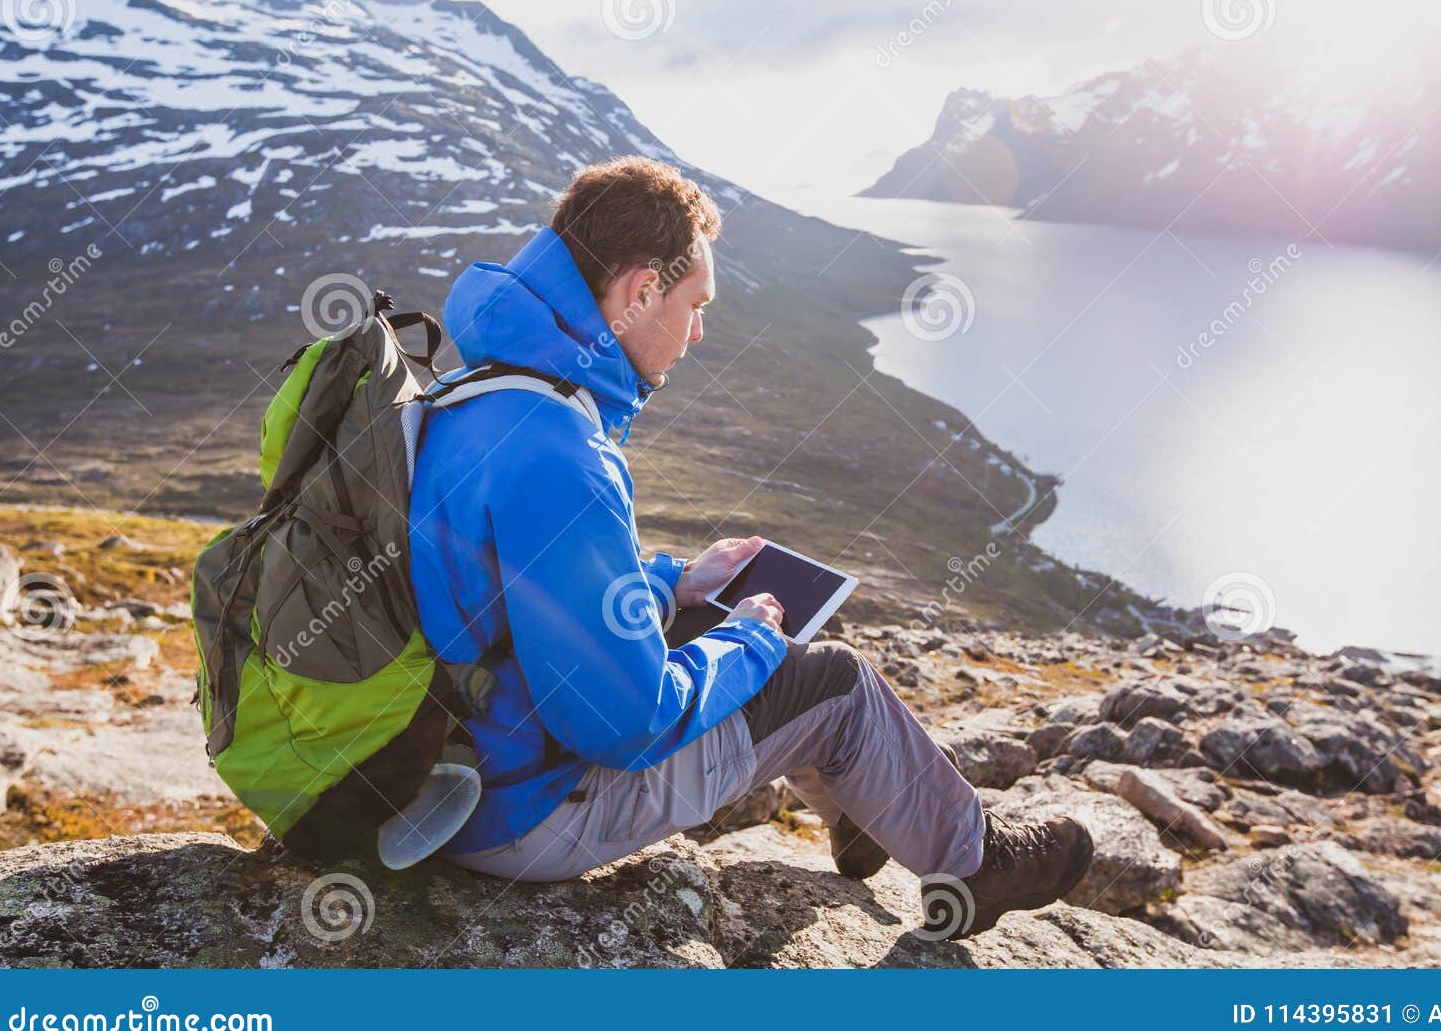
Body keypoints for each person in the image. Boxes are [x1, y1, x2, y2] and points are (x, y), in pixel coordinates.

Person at [408, 156, 1092, 939]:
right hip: (517, 817)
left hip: (441, 772)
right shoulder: (562, 449)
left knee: (725, 639)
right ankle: (978, 865)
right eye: (694, 303)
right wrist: (748, 638)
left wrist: (673, 586)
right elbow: (624, 724)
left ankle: (867, 800)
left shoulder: (474, 391)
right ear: (640, 292)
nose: (699, 329)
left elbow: (512, 599)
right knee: (829, 681)